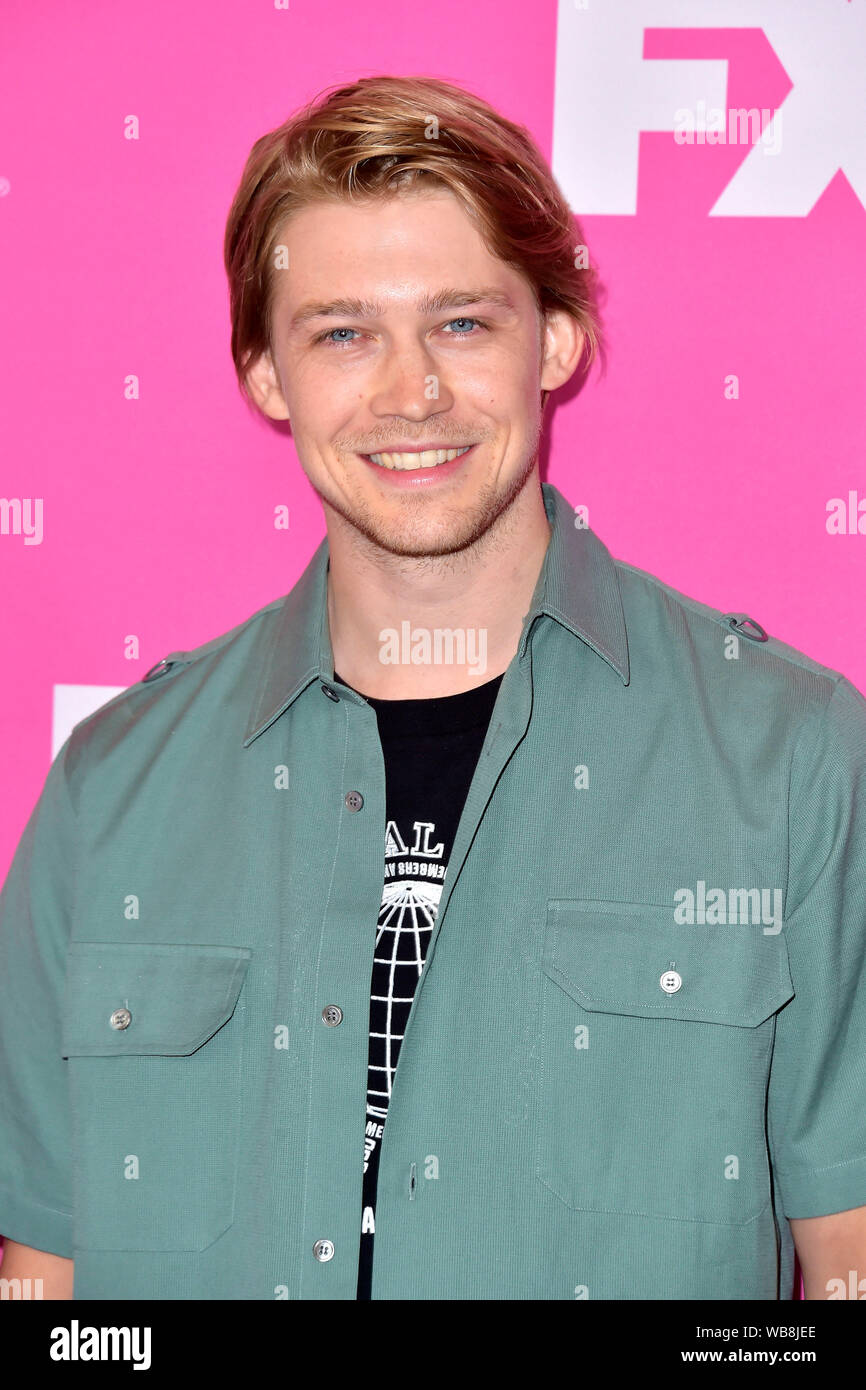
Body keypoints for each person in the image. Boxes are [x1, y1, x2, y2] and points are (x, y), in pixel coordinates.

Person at [1, 74, 865, 1302]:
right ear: (264, 374)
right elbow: (47, 1279)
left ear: (551, 343)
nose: (410, 393)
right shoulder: (112, 792)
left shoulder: (790, 759)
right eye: (342, 332)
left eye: (461, 323)